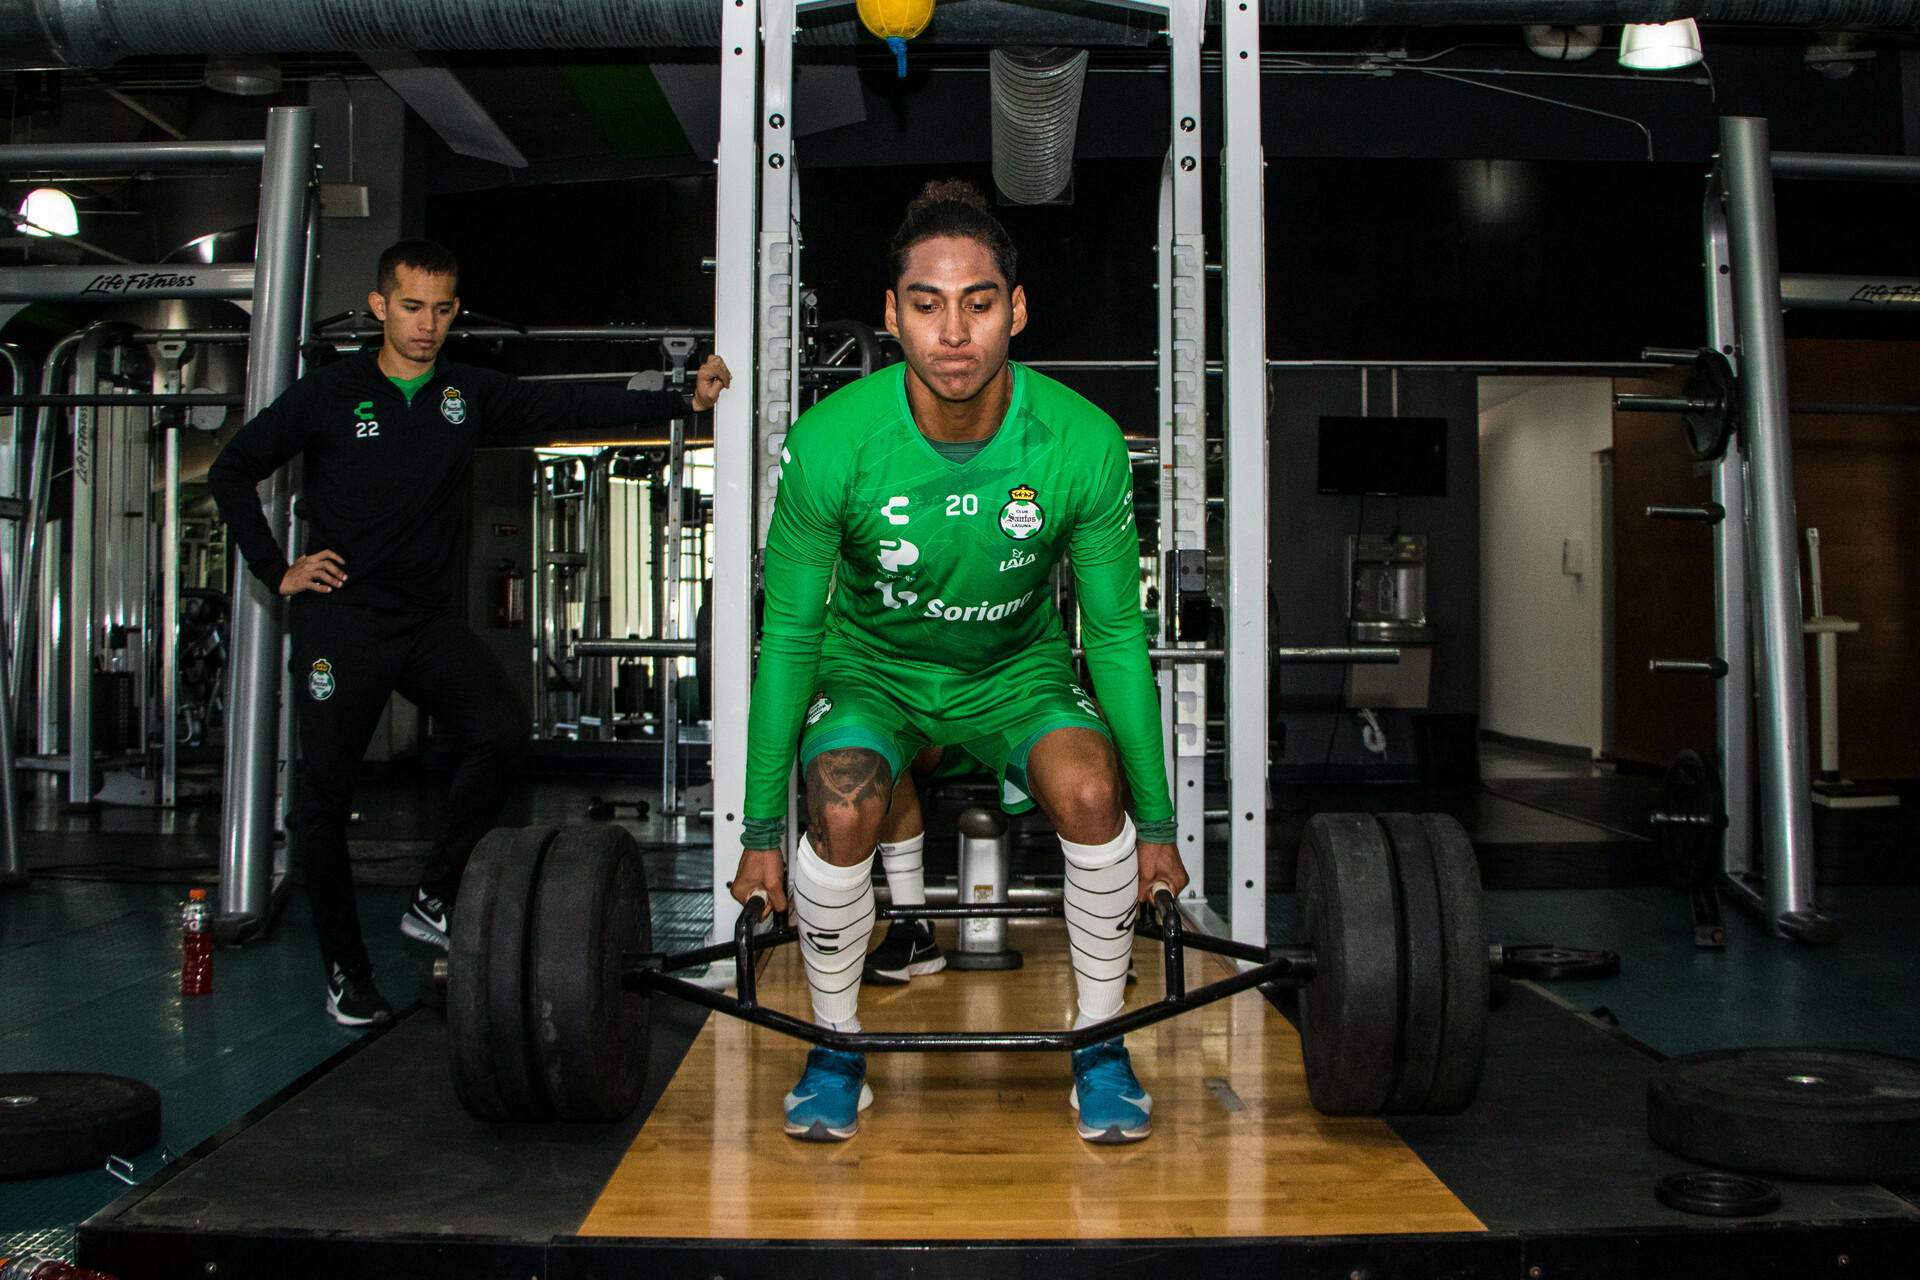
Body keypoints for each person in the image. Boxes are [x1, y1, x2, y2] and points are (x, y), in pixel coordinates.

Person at [728, 180, 1183, 1144]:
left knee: (1093, 793)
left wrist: (1158, 825)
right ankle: (836, 1047)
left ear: (1015, 310)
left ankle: (1100, 1044)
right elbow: (791, 640)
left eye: (977, 303)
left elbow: (1112, 637)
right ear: (892, 316)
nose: (953, 332)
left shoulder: (1082, 443)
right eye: (927, 304)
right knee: (843, 801)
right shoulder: (831, 446)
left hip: (1016, 675)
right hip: (874, 674)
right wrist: (760, 828)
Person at [208, 239, 731, 1027]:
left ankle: (434, 893)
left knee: (500, 730)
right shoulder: (330, 392)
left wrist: (682, 396)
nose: (427, 325)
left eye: (442, 309)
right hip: (343, 624)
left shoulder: (465, 392)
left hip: (425, 624)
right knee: (325, 800)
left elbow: (569, 407)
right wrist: (276, 568)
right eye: (411, 307)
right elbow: (232, 469)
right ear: (381, 306)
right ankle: (347, 973)